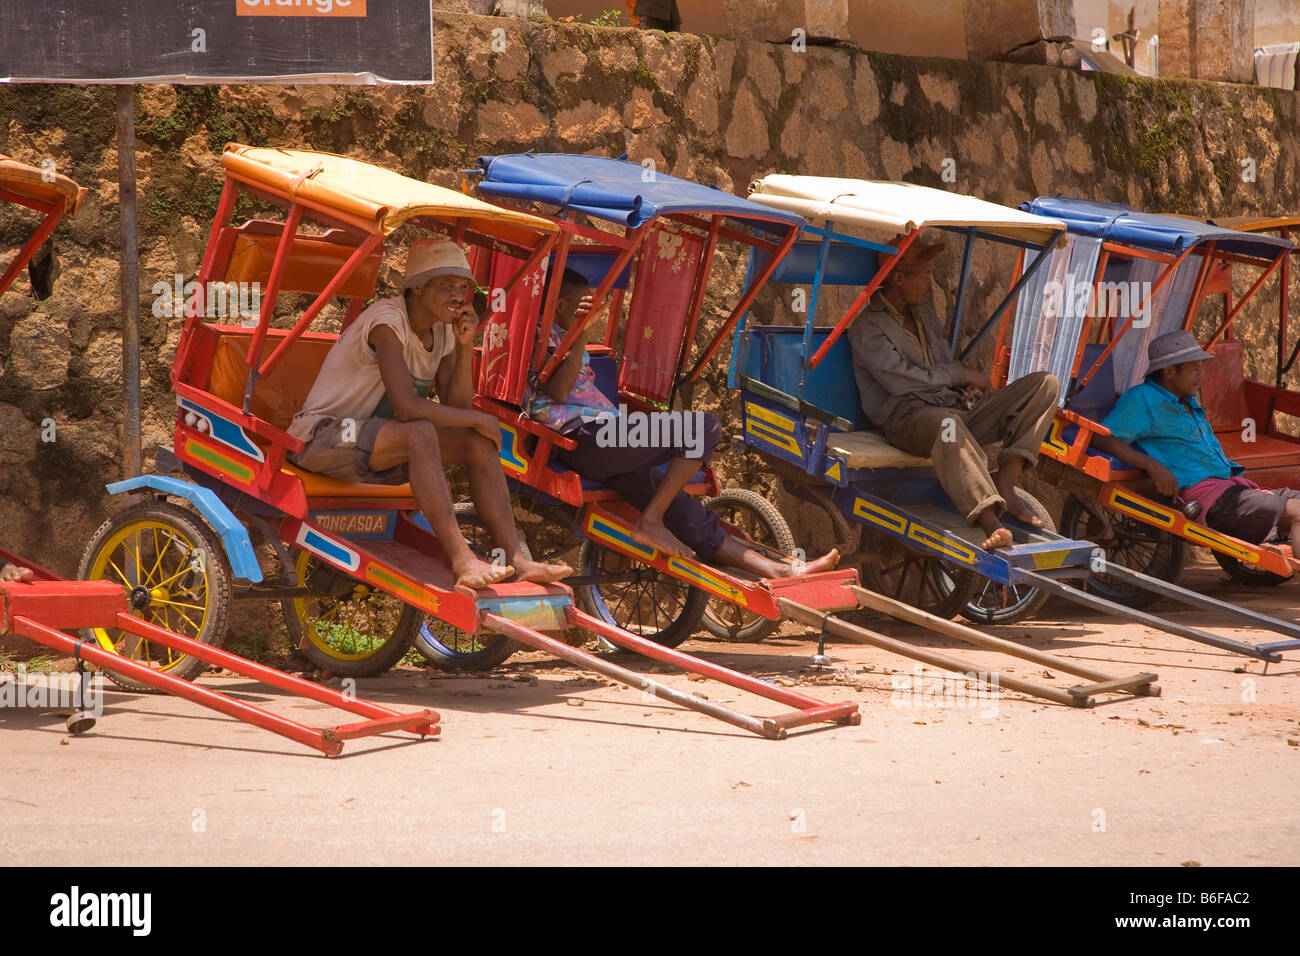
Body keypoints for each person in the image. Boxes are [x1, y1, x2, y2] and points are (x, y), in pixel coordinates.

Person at [287, 239, 571, 590]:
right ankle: (463, 561)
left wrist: (465, 348)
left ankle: (515, 557)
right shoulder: (387, 321)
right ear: (417, 286)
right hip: (325, 437)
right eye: (447, 285)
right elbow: (407, 408)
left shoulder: (442, 330)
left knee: (476, 444)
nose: (458, 295)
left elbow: (457, 408)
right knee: (421, 431)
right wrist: (479, 419)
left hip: (375, 447)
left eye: (463, 287)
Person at [527, 268, 838, 577]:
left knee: (685, 511)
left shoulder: (563, 332)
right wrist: (579, 331)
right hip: (581, 439)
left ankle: (776, 570)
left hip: (606, 436)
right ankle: (650, 521)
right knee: (701, 429)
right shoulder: (540, 336)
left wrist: (577, 331)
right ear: (561, 307)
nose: (590, 311)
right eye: (583, 305)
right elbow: (558, 390)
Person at [846, 235, 1060, 550]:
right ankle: (989, 520)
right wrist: (959, 374)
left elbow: (943, 363)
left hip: (952, 404)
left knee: (1045, 385)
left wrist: (965, 386)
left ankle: (1006, 482)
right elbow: (901, 381)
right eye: (925, 275)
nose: (931, 283)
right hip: (907, 417)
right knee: (948, 424)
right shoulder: (867, 327)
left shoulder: (925, 311)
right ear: (899, 277)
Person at [1092, 330, 1300, 551]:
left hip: (1234, 488)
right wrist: (1152, 466)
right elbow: (1101, 438)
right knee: (1297, 511)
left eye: (1200, 368)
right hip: (1208, 499)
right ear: (1170, 372)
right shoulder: (1143, 398)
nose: (1200, 376)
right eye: (1193, 369)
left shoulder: (1188, 403)